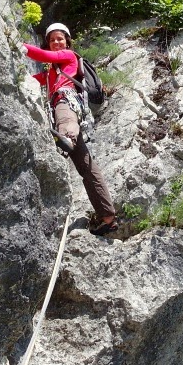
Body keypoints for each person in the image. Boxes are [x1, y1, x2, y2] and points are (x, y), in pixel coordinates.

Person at [22, 23, 120, 237]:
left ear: (67, 41)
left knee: (66, 122)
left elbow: (41, 55)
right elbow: (32, 79)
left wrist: (17, 44)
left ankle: (66, 139)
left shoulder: (68, 56)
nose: (56, 43)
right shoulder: (50, 75)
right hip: (66, 109)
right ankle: (107, 216)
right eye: (52, 40)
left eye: (60, 39)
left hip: (66, 101)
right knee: (87, 166)